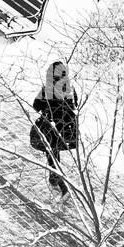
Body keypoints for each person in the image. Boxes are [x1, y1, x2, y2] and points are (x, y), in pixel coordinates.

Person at [29, 60, 79, 198]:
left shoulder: (48, 89)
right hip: (67, 129)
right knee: (53, 153)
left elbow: (35, 106)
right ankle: (54, 180)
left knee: (52, 154)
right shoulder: (70, 88)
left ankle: (63, 186)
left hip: (52, 127)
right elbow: (75, 105)